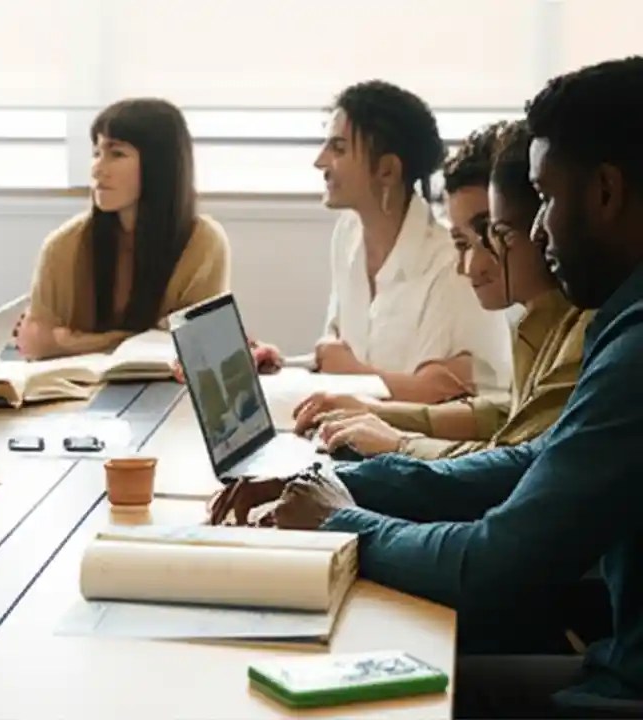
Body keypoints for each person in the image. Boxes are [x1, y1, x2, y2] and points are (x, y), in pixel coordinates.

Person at [209, 57, 643, 718]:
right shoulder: (625, 320)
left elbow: (492, 566)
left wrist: (342, 519)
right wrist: (352, 485)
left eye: (547, 198)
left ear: (607, 192)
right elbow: (535, 459)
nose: (535, 230)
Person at [292, 121, 591, 460]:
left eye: (495, 233)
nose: (470, 266)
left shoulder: (581, 329)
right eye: (464, 242)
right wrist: (374, 411)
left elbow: (511, 463)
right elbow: (506, 416)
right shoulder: (538, 320)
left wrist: (399, 444)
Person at [303, 80, 512, 403]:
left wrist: (352, 375)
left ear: (387, 170)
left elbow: (448, 392)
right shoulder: (347, 235)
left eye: (339, 148)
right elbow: (336, 347)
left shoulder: (452, 263)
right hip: (351, 431)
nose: (320, 161)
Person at [14, 98, 231, 360]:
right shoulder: (64, 245)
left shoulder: (204, 242)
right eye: (96, 153)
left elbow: (199, 348)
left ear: (159, 165)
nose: (97, 169)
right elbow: (35, 344)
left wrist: (68, 340)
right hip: (75, 391)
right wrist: (148, 338)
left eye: (116, 154)